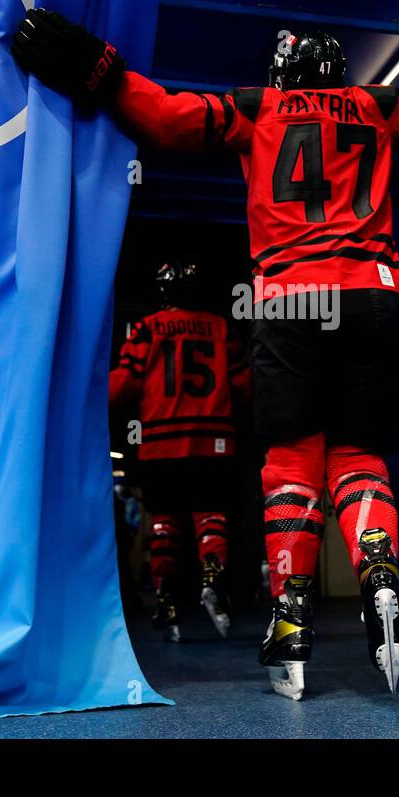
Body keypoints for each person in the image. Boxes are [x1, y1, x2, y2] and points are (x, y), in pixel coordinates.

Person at [13, 11, 399, 697]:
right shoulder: (378, 105)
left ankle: (290, 616)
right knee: (360, 458)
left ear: (282, 73)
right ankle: (380, 574)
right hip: (375, 293)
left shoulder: (255, 109)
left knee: (291, 464)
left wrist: (98, 69)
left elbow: (164, 119)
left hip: (289, 298)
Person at [108, 262, 250, 642]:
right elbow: (244, 385)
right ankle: (212, 577)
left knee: (164, 523)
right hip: (214, 442)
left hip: (161, 444)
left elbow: (123, 384)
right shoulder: (221, 327)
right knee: (211, 516)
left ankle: (166, 599)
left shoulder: (146, 328)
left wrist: (82, 397)